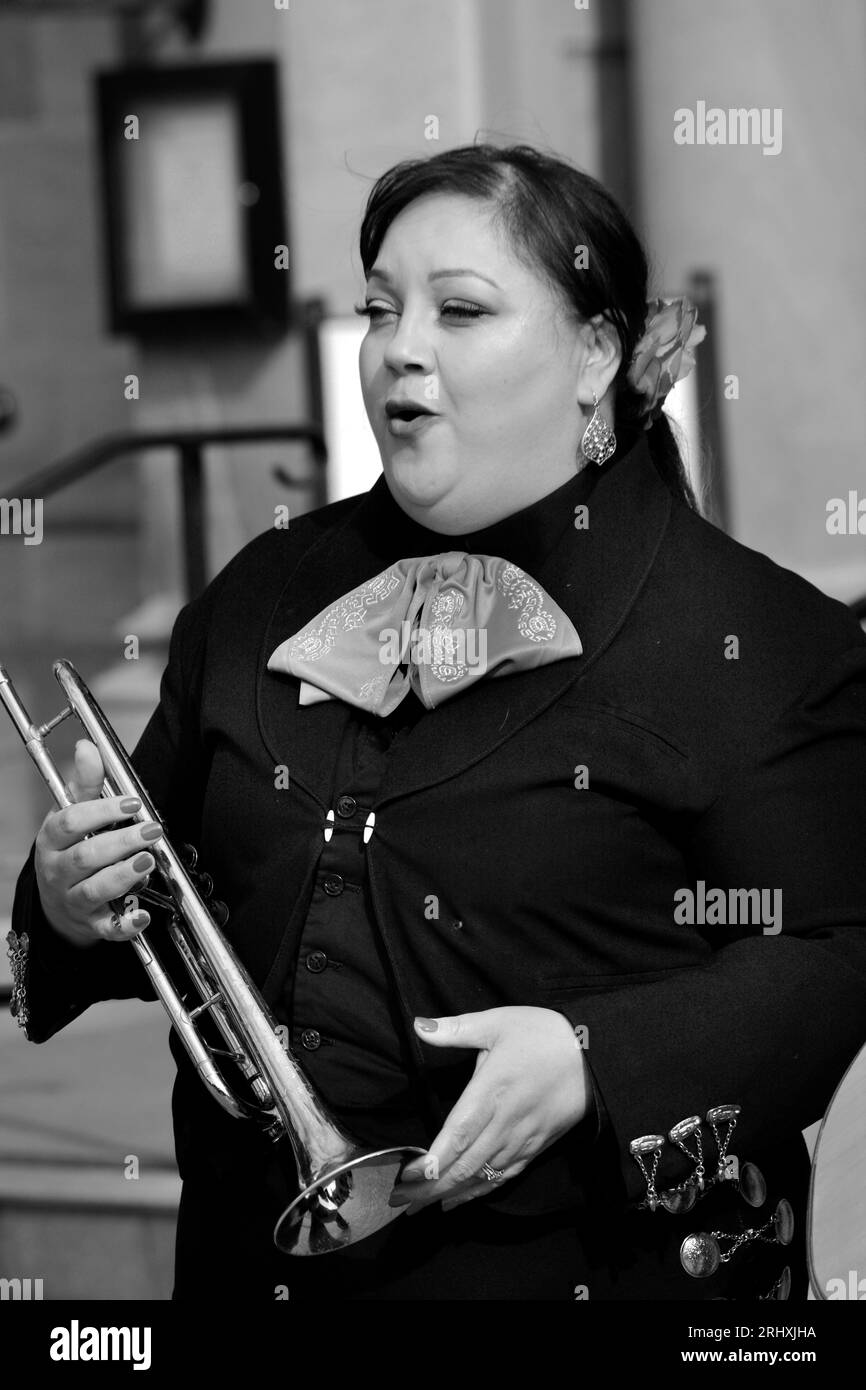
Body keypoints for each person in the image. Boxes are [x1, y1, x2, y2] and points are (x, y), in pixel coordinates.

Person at [8, 143, 866, 1301]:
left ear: (593, 356)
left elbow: (838, 953)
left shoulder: (752, 633)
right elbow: (161, 885)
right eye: (379, 309)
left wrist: (594, 1060)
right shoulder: (260, 591)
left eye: (460, 310)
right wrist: (67, 902)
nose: (399, 347)